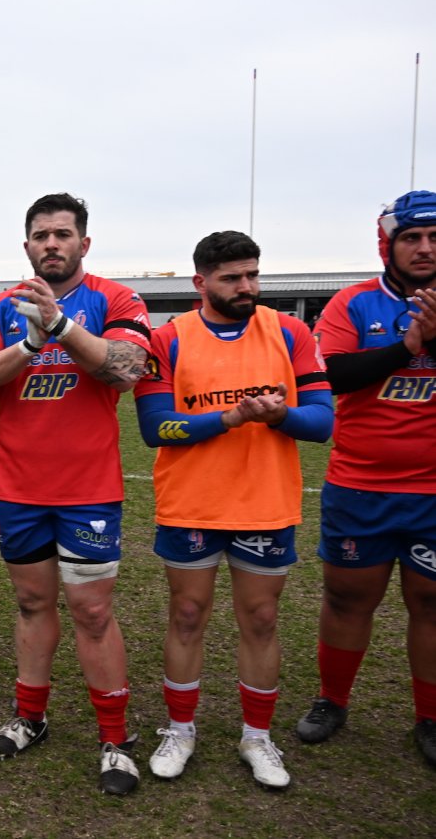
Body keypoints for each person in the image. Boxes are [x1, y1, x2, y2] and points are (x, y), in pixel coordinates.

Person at [0, 193, 152, 794]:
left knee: (92, 612)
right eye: (40, 235)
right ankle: (30, 717)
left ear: (83, 244)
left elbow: (127, 368)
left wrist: (64, 326)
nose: (51, 243)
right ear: (26, 246)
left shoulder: (115, 298)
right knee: (32, 605)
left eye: (62, 234)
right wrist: (32, 342)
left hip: (88, 489)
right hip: (17, 488)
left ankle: (116, 740)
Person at [135, 230, 333, 788]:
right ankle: (180, 728)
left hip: (265, 506)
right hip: (191, 506)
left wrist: (278, 416)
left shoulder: (291, 332)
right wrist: (231, 418)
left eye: (252, 275)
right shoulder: (168, 339)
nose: (246, 286)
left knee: (262, 620)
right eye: (231, 278)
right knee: (188, 616)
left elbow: (322, 422)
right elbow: (156, 428)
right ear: (201, 282)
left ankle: (257, 737)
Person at [295, 190, 436, 764]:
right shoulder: (352, 305)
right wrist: (408, 347)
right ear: (388, 244)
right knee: (349, 597)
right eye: (411, 237)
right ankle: (333, 700)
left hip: (433, 491)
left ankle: (429, 716)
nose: (424, 248)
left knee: (430, 602)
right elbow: (334, 374)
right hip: (361, 485)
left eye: (434, 238)